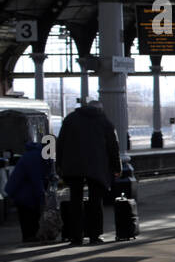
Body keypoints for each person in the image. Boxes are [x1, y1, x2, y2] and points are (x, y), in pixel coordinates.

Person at [56, 100, 121, 246]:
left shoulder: (70, 119)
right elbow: (113, 146)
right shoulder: (104, 121)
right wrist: (116, 167)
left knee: (75, 201)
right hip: (97, 166)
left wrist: (59, 164)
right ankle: (94, 236)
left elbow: (60, 143)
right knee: (95, 201)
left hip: (73, 166)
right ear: (100, 109)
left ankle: (76, 237)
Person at [4, 138, 52, 242]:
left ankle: (30, 236)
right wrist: (42, 197)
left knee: (29, 215)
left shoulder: (37, 155)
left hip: (23, 190)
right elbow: (36, 178)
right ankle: (29, 237)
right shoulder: (35, 157)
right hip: (23, 192)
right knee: (29, 215)